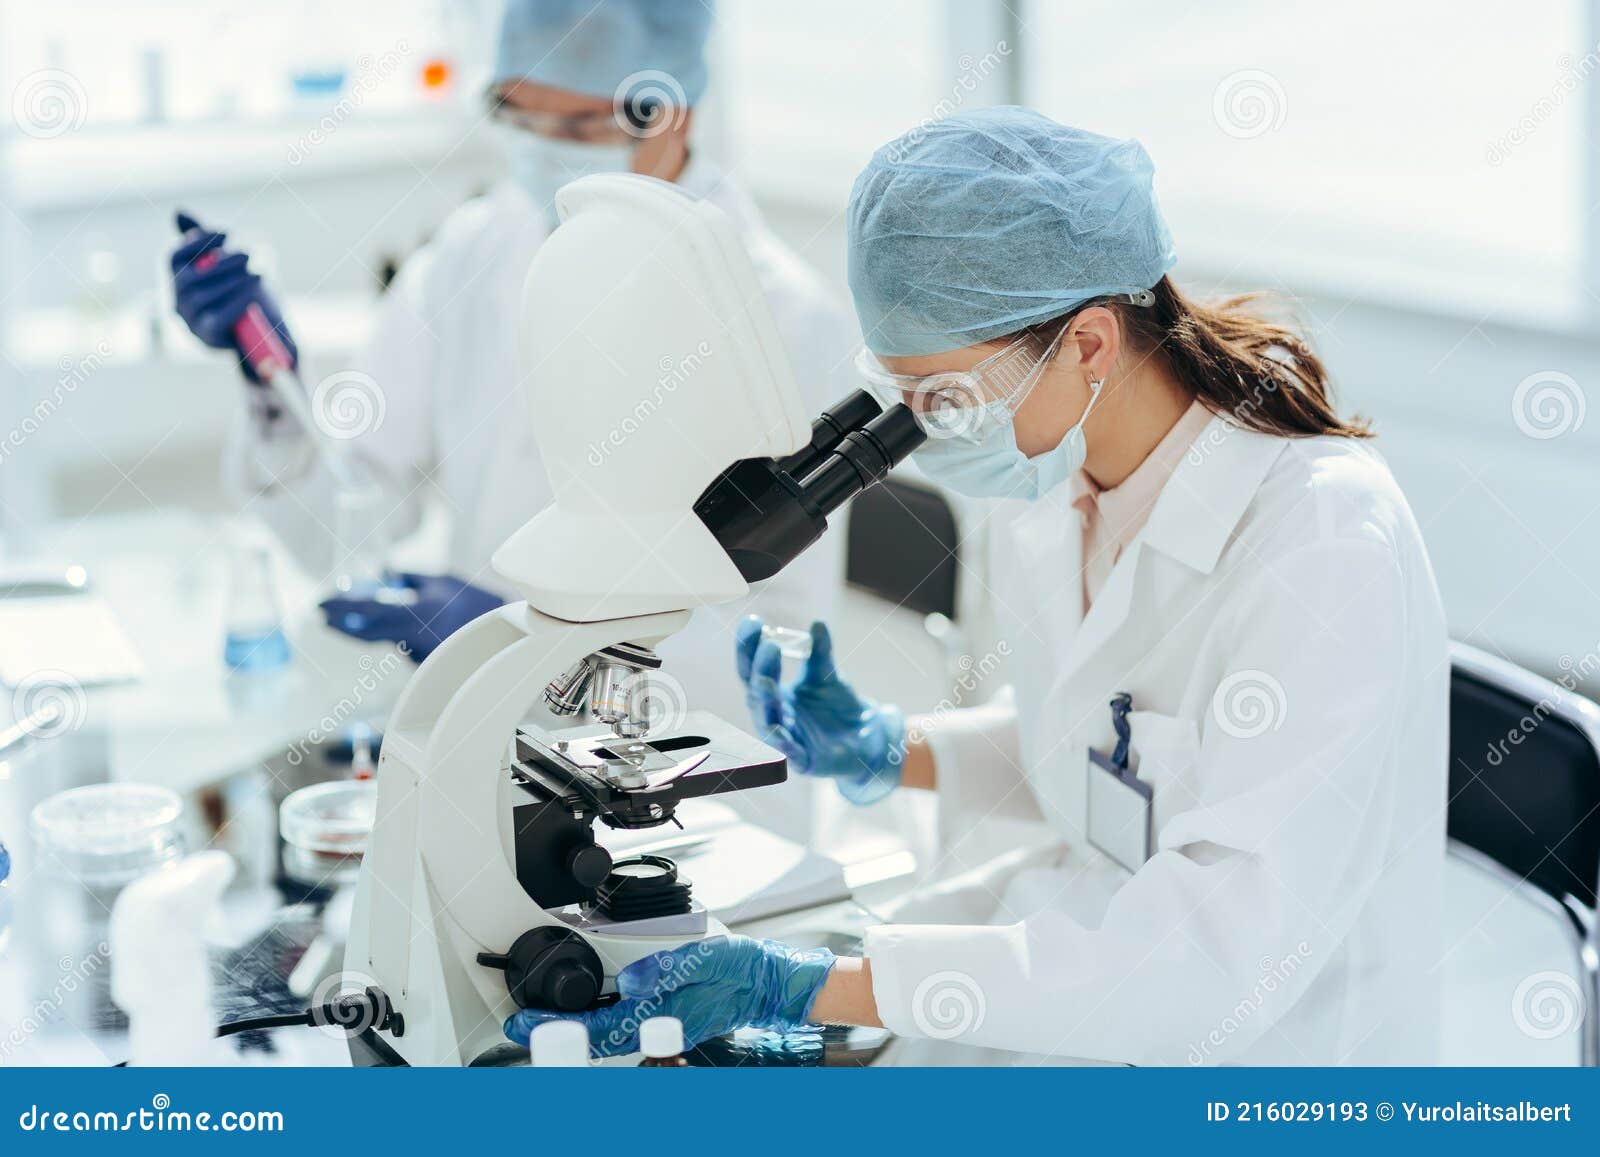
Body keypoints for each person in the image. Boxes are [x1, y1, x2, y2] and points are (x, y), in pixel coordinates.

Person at [507, 108, 1449, 1066]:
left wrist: (810, 985)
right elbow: (1108, 742)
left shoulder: (1323, 546)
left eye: (944, 397)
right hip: (1086, 981)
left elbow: (1213, 962)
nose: (923, 432)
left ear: (1089, 343)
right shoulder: (1060, 481)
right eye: (904, 394)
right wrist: (890, 746)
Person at [169, 0, 857, 726]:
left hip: (687, 779)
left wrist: (525, 640)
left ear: (671, 108)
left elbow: (776, 648)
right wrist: (272, 383)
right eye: (517, 114)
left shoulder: (783, 319)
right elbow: (344, 523)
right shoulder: (474, 251)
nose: (538, 148)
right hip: (482, 740)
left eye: (574, 125)